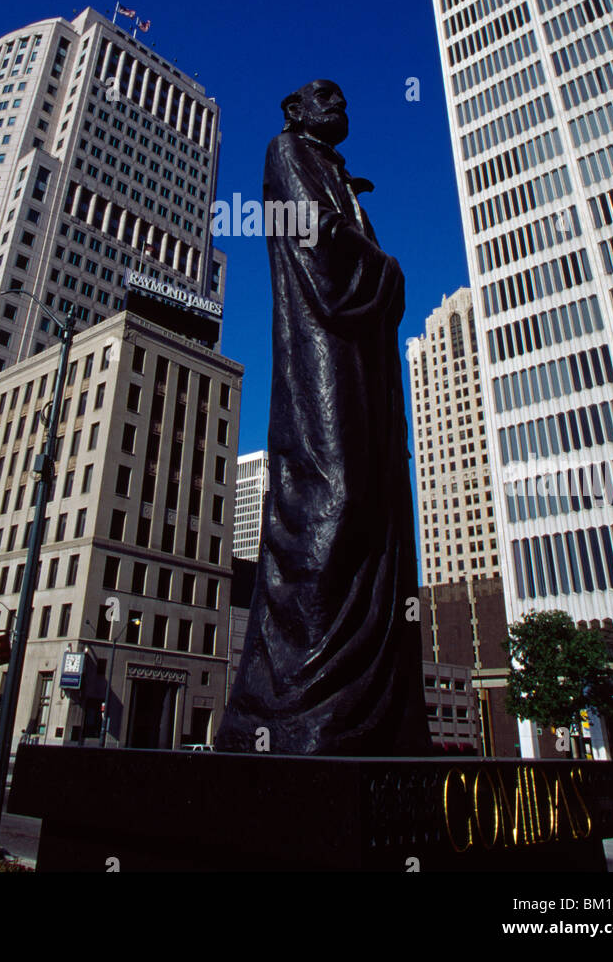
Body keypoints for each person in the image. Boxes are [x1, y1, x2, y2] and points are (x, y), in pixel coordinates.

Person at [216, 80, 430, 755]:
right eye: (325, 99)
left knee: (374, 499)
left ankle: (370, 709)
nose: (340, 108)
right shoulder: (285, 152)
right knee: (332, 493)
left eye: (345, 99)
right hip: (320, 345)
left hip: (360, 351)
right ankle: (298, 697)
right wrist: (388, 271)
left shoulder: (336, 169)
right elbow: (317, 244)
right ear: (293, 111)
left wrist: (377, 269)